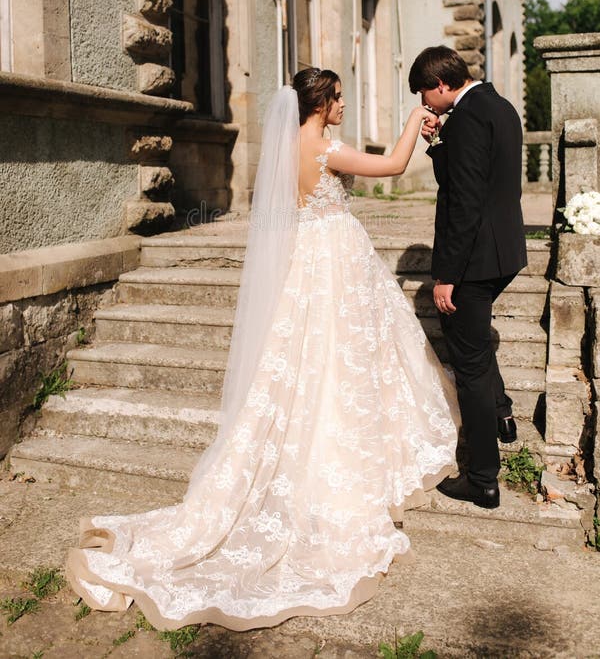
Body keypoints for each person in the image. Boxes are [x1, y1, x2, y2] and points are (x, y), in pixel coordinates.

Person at [65, 68, 459, 631]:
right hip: (337, 259)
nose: (345, 105)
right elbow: (395, 167)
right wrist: (410, 125)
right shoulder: (324, 147)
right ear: (320, 104)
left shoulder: (286, 149)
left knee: (315, 358)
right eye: (340, 97)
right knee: (344, 357)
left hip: (309, 258)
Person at [408, 46, 527, 510]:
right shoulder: (495, 105)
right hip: (503, 250)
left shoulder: (470, 116)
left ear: (440, 84)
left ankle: (481, 479)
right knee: (476, 342)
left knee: (470, 364)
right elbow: (459, 177)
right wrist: (438, 141)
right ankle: (502, 415)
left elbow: (463, 203)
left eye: (424, 92)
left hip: (476, 258)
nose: (425, 102)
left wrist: (446, 276)